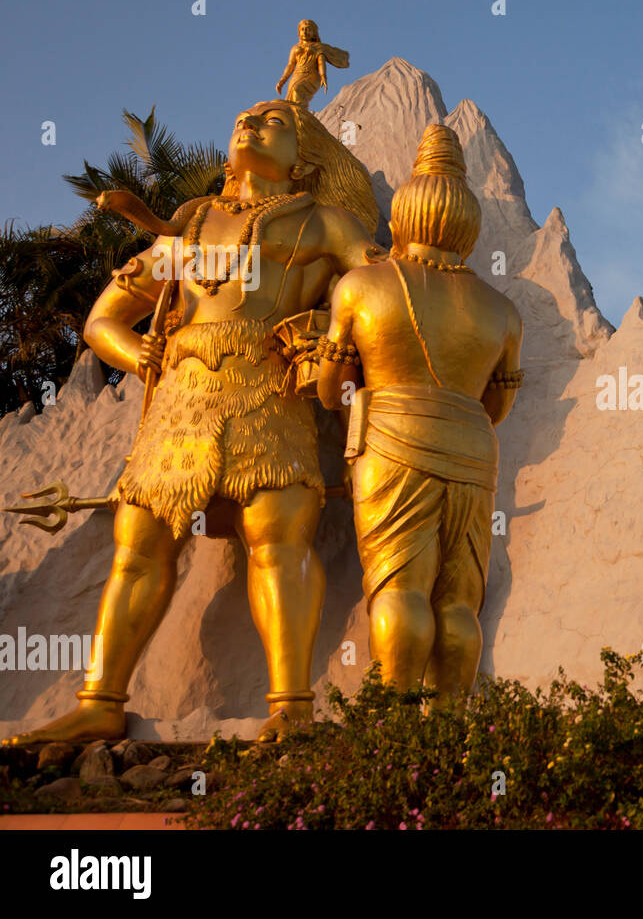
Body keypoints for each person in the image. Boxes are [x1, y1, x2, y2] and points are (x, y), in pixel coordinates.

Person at [3, 99, 381, 746]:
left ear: (304, 157)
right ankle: (100, 700)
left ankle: (291, 705)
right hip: (181, 400)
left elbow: (380, 289)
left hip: (268, 393)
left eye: (273, 122)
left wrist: (325, 329)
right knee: (140, 539)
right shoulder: (190, 228)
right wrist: (136, 353)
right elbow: (103, 320)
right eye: (244, 118)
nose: (251, 125)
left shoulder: (325, 222)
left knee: (277, 535)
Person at [318, 124, 523, 699]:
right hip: (473, 451)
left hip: (390, 440)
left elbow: (330, 389)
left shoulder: (362, 285)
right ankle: (451, 731)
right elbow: (499, 406)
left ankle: (393, 728)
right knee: (460, 600)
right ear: (467, 226)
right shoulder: (502, 311)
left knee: (400, 588)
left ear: (404, 217)